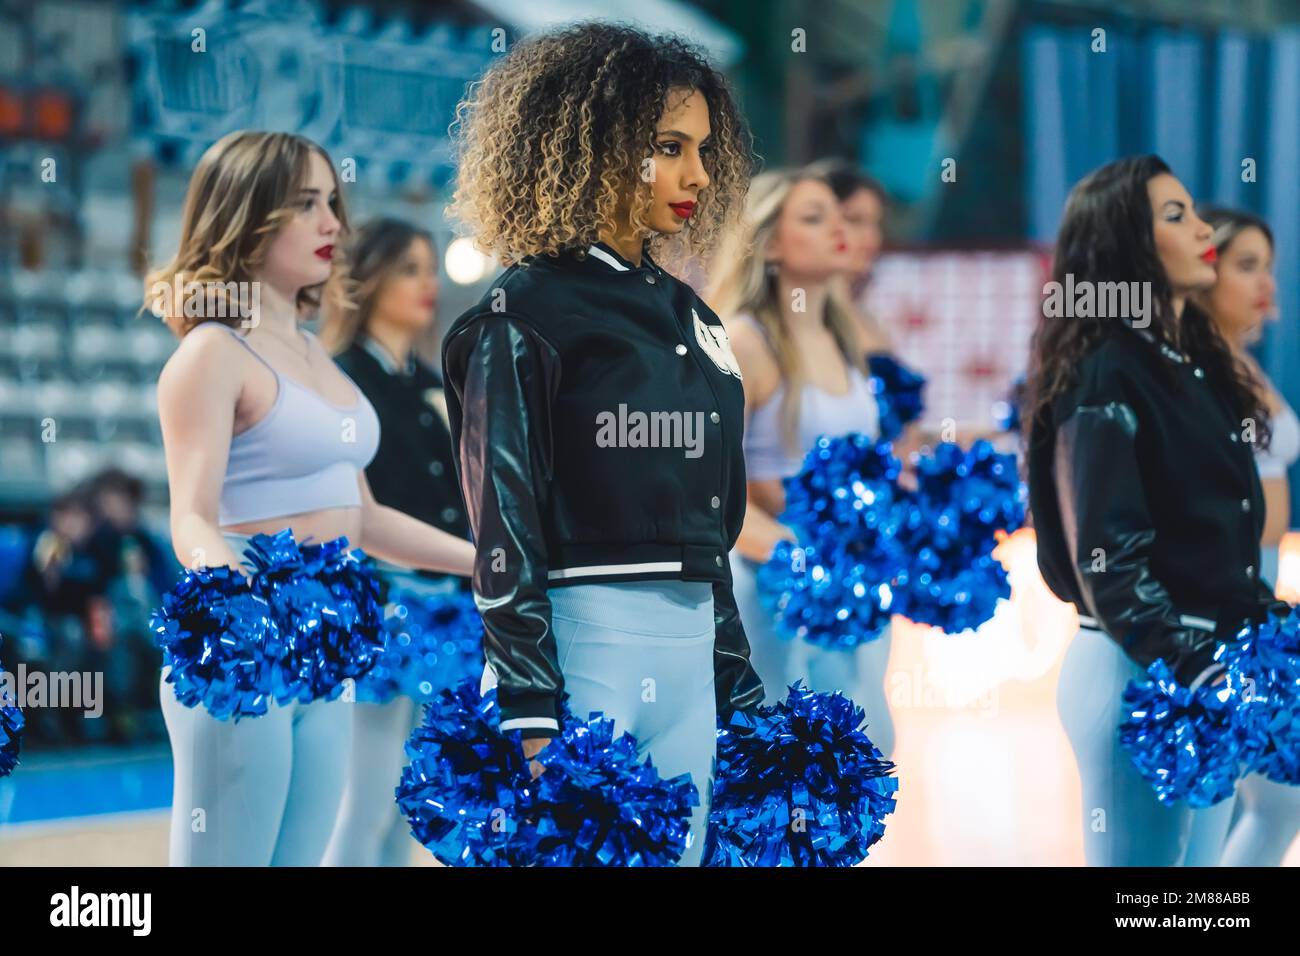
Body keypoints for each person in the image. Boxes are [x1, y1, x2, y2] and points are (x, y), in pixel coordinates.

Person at [439, 22, 761, 866]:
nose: (696, 174)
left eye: (702, 148)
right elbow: (502, 528)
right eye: (667, 146)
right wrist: (529, 706)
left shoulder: (696, 318)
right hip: (582, 654)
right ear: (588, 143)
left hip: (692, 659)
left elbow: (709, 530)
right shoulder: (523, 311)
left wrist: (739, 681)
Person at [148, 130, 474, 866]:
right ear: (247, 214)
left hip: (328, 641)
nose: (333, 223)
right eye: (306, 205)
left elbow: (363, 517)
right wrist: (238, 594)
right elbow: (191, 516)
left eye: (333, 202)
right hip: (246, 638)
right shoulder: (212, 350)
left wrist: (488, 560)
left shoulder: (315, 356)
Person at [1025, 154, 1281, 866]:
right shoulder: (1107, 364)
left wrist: (1263, 624)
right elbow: (1105, 556)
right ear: (1125, 244)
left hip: (1200, 663)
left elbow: (1212, 536)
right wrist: (1192, 669)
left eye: (1193, 210)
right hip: (1143, 668)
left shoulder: (1189, 362)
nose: (1203, 228)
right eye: (1176, 215)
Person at [706, 168, 895, 758]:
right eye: (813, 218)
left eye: (840, 215)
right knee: (786, 777)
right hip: (776, 588)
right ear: (769, 243)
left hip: (855, 587)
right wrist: (801, 558)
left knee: (864, 759)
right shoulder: (743, 340)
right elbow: (713, 495)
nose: (840, 227)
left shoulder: (851, 340)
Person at [318, 218, 471, 866]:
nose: (427, 283)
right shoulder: (339, 376)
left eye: (430, 268)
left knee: (420, 805)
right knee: (366, 801)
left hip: (452, 606)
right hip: (381, 607)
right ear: (368, 278)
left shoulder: (432, 381)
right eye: (409, 268)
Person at [1180, 207, 1299, 867]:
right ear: (1204, 271)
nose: (1266, 285)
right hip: (1220, 594)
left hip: (1260, 591)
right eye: (1247, 266)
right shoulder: (1191, 370)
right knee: (1235, 800)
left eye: (1270, 269)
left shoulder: (1238, 361)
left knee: (1273, 800)